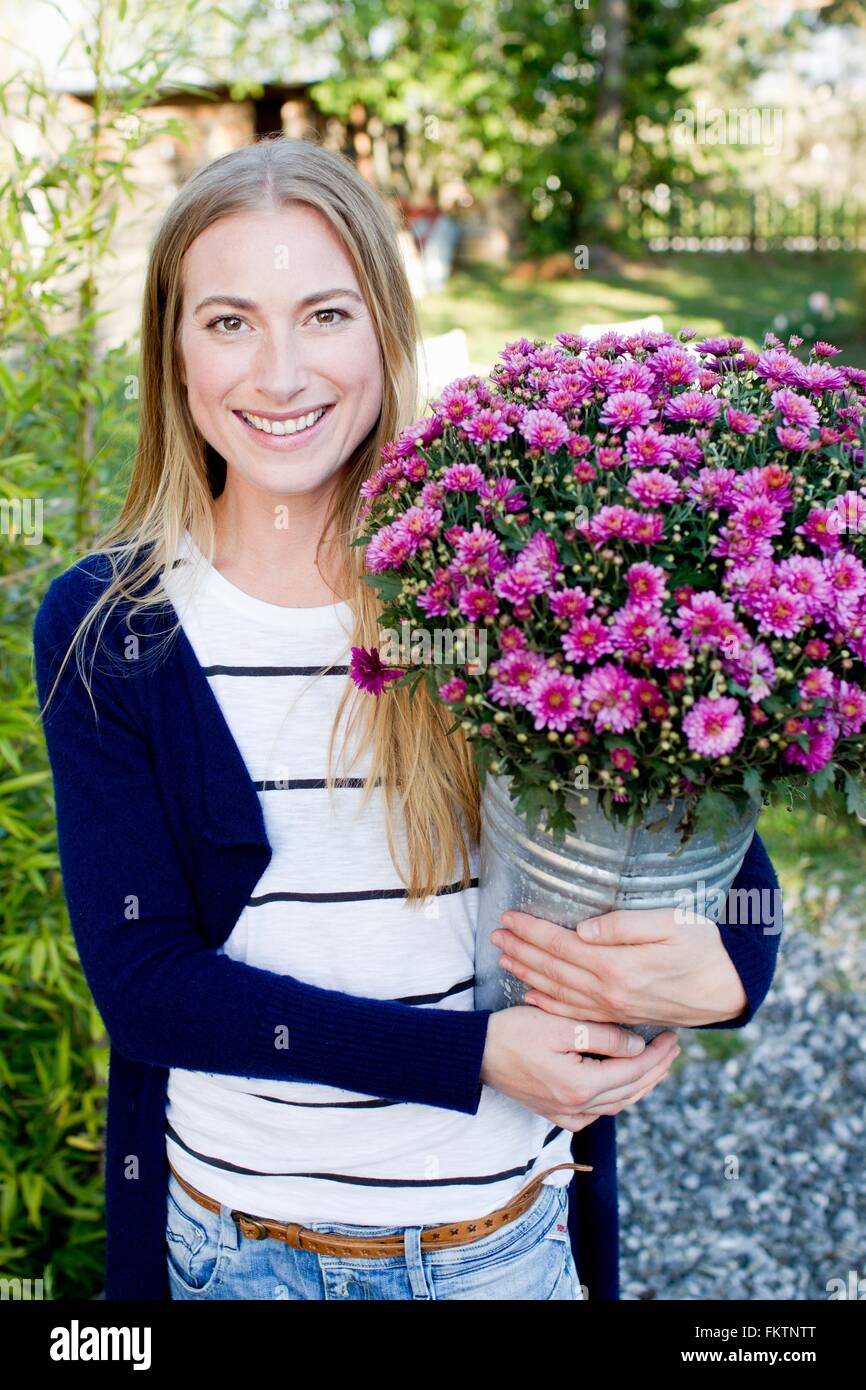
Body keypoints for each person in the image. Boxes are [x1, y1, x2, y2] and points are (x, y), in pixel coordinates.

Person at [32, 134, 782, 1302]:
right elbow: (144, 980)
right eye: (229, 321)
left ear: (385, 330)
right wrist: (473, 1055)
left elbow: (714, 856)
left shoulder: (506, 579)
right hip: (237, 1248)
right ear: (172, 352)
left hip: (498, 1246)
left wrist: (728, 974)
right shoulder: (110, 626)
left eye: (323, 314)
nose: (279, 374)